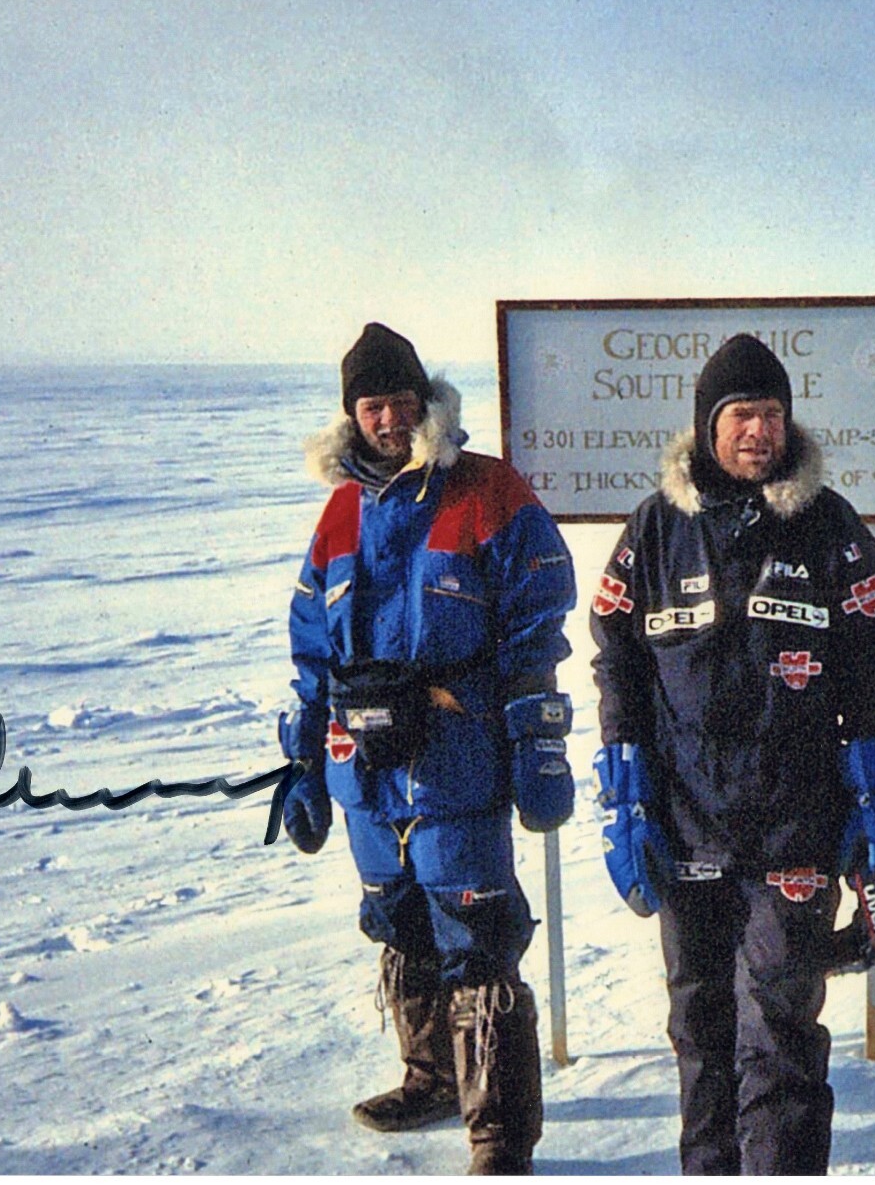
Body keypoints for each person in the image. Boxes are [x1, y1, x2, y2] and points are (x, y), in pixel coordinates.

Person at [589, 333, 875, 1175]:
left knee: (779, 1025)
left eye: (770, 414)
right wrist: (624, 792)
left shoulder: (828, 526)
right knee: (700, 1025)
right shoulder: (656, 530)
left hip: (796, 823)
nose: (757, 431)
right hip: (686, 820)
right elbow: (615, 655)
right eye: (740, 416)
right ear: (707, 426)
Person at [277, 322, 577, 1175]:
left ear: (424, 403)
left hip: (458, 756)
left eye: (398, 401)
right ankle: (430, 1078)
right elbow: (310, 646)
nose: (385, 417)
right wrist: (304, 759)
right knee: (400, 924)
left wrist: (536, 744)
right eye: (370, 405)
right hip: (365, 768)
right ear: (352, 415)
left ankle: (500, 1132)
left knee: (477, 937)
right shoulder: (341, 512)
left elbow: (536, 624)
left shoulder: (486, 491)